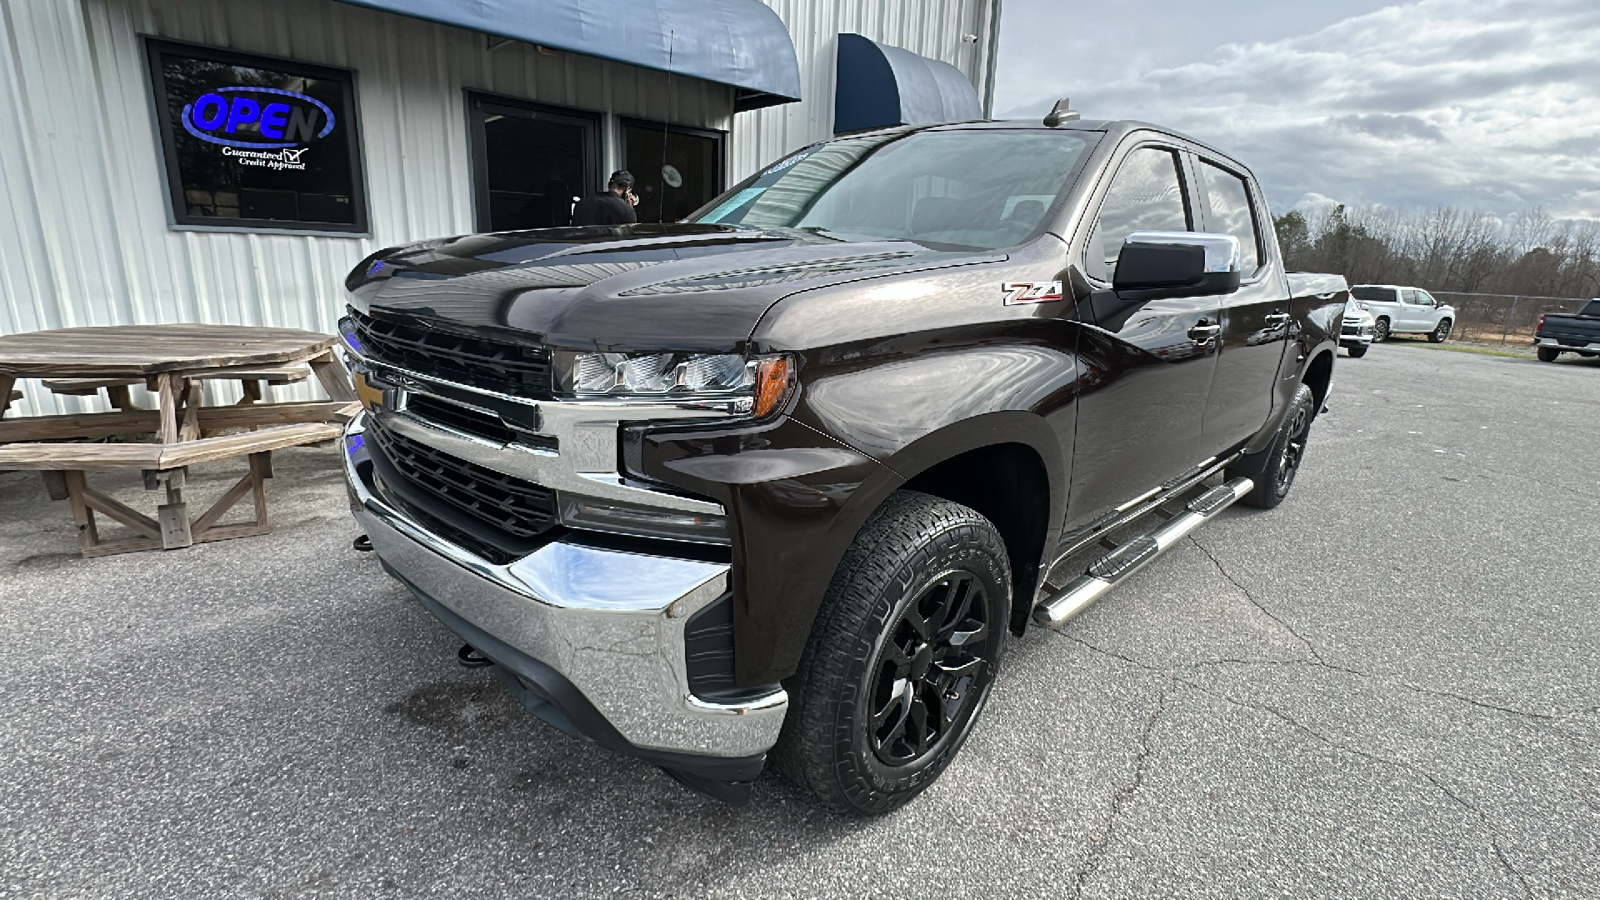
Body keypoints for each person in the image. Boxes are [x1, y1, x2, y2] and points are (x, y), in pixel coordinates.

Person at [571, 171, 638, 226]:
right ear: (627, 190)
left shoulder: (582, 204)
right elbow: (630, 236)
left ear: (609, 185)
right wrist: (629, 209)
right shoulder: (626, 210)